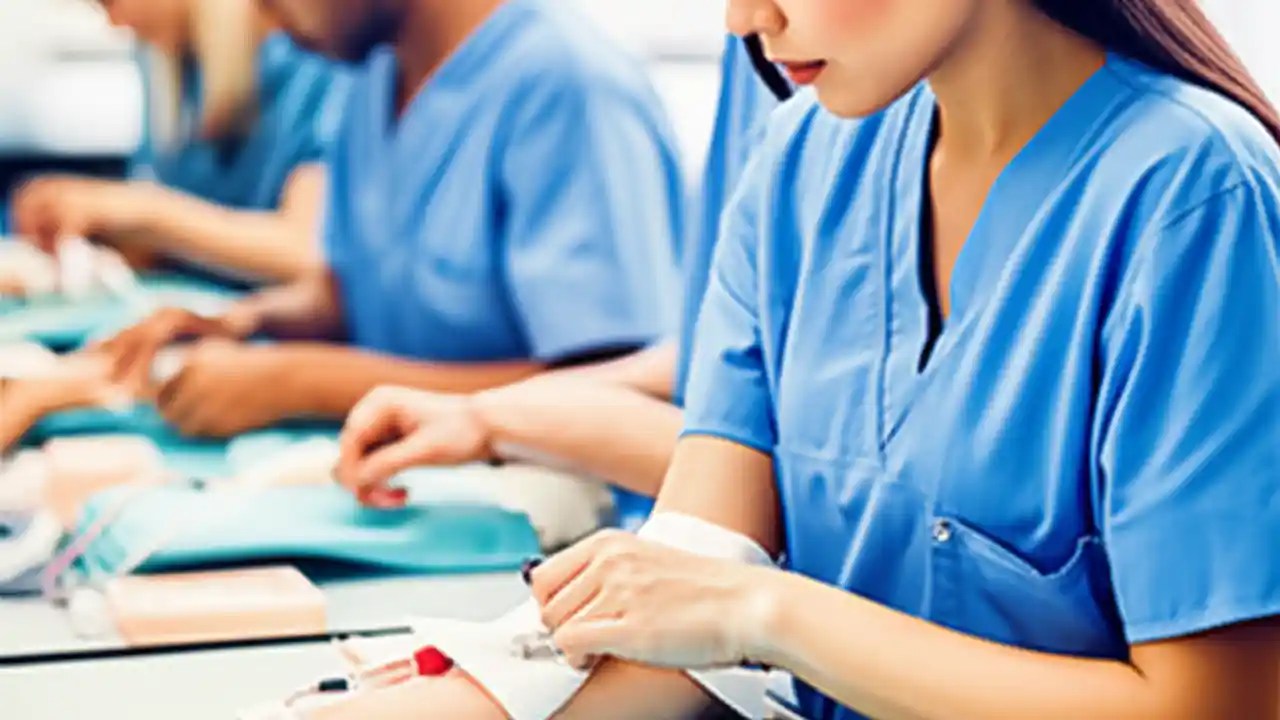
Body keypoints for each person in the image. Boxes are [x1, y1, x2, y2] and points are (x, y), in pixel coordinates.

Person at [319, 0, 1280, 718]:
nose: (748, 18)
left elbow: (1211, 705)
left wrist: (766, 614)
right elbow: (691, 582)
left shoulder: (1194, 199)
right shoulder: (802, 162)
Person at [94, 0, 683, 444]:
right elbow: (352, 290)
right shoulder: (370, 77)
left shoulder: (567, 86)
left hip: (550, 527)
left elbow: (613, 386)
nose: (264, 19)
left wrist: (296, 382)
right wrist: (241, 324)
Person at [334, 34, 783, 509]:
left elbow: (799, 471)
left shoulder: (574, 81)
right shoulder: (766, 65)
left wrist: (501, 418)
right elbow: (722, 357)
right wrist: (483, 415)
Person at [12, 0, 347, 284]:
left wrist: (145, 211)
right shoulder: (168, 71)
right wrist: (96, 228)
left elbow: (310, 253)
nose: (113, 24)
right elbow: (174, 252)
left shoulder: (318, 63)